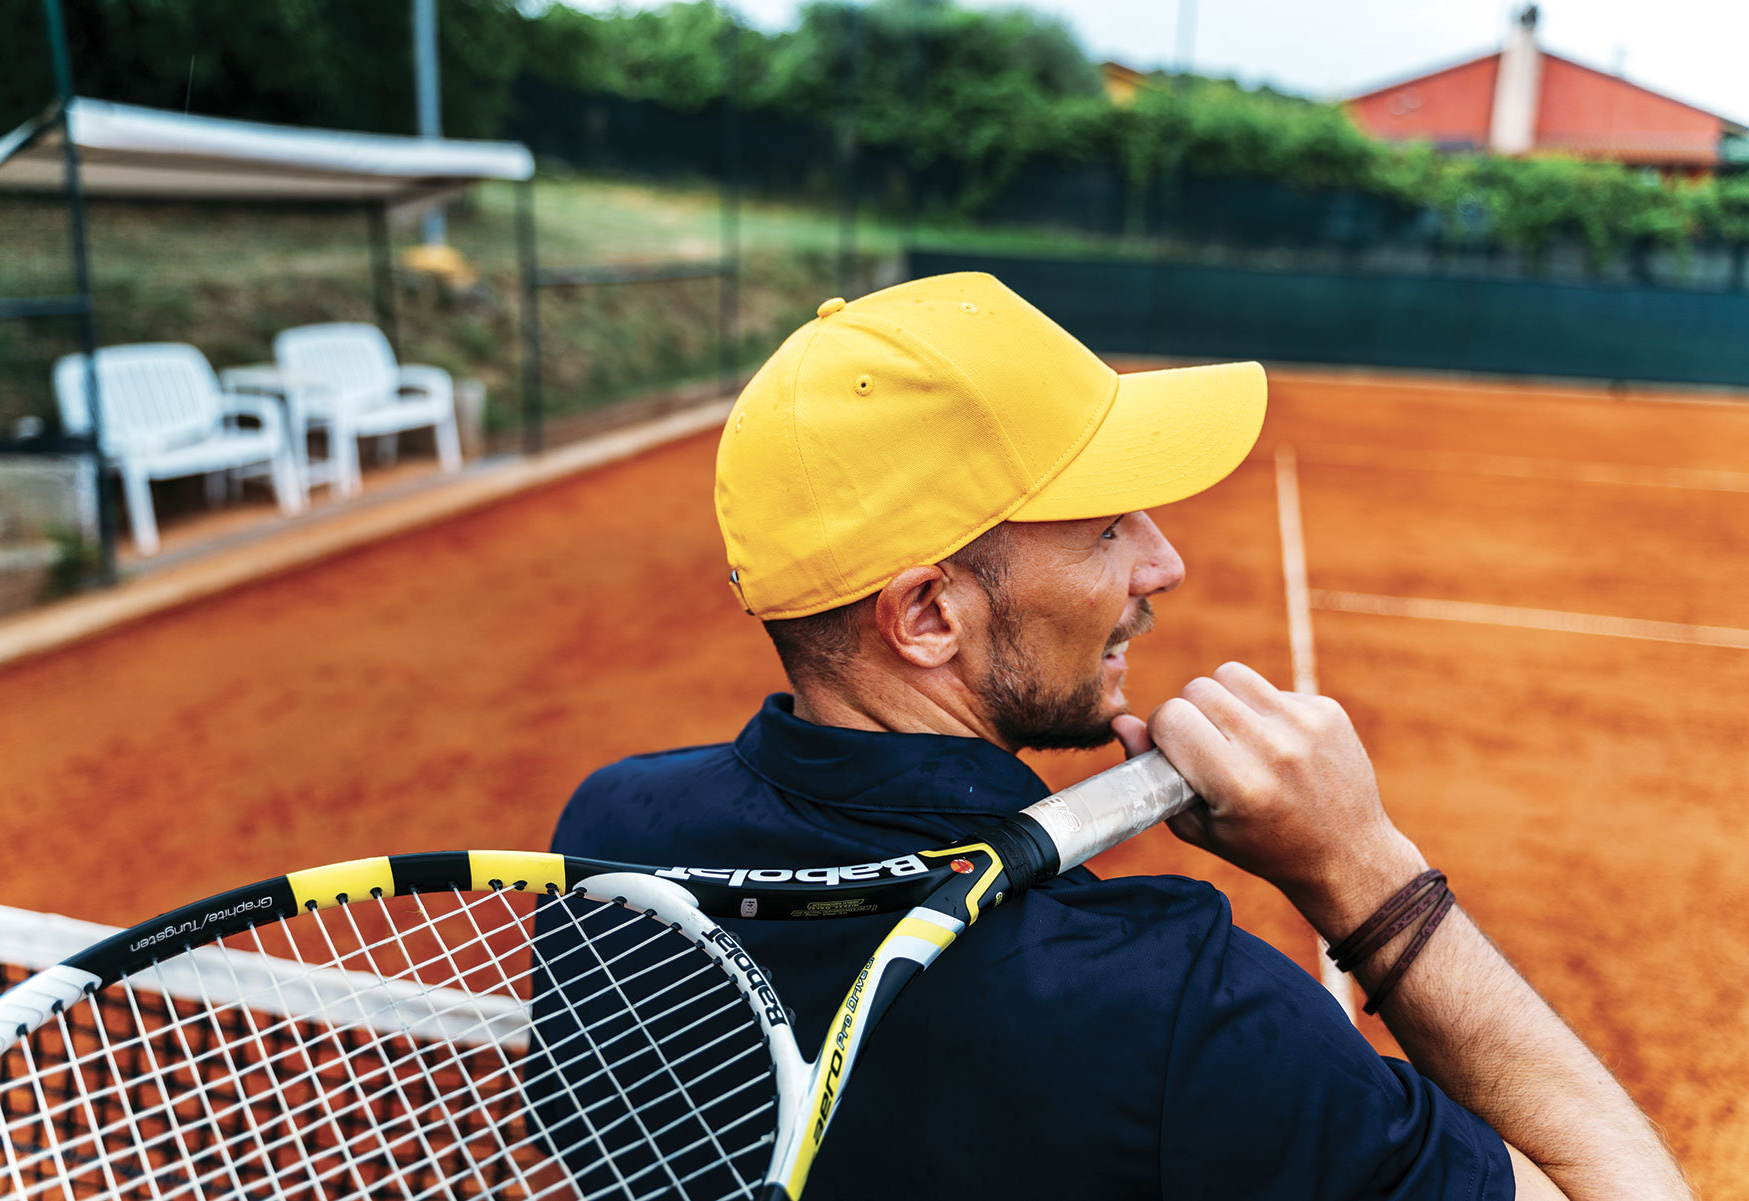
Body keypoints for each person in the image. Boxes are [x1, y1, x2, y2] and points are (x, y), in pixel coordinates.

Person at [551, 273, 1689, 1200]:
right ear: (929, 615)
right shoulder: (1176, 1014)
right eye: (1104, 527)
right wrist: (1361, 865)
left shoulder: (608, 838)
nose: (1164, 563)